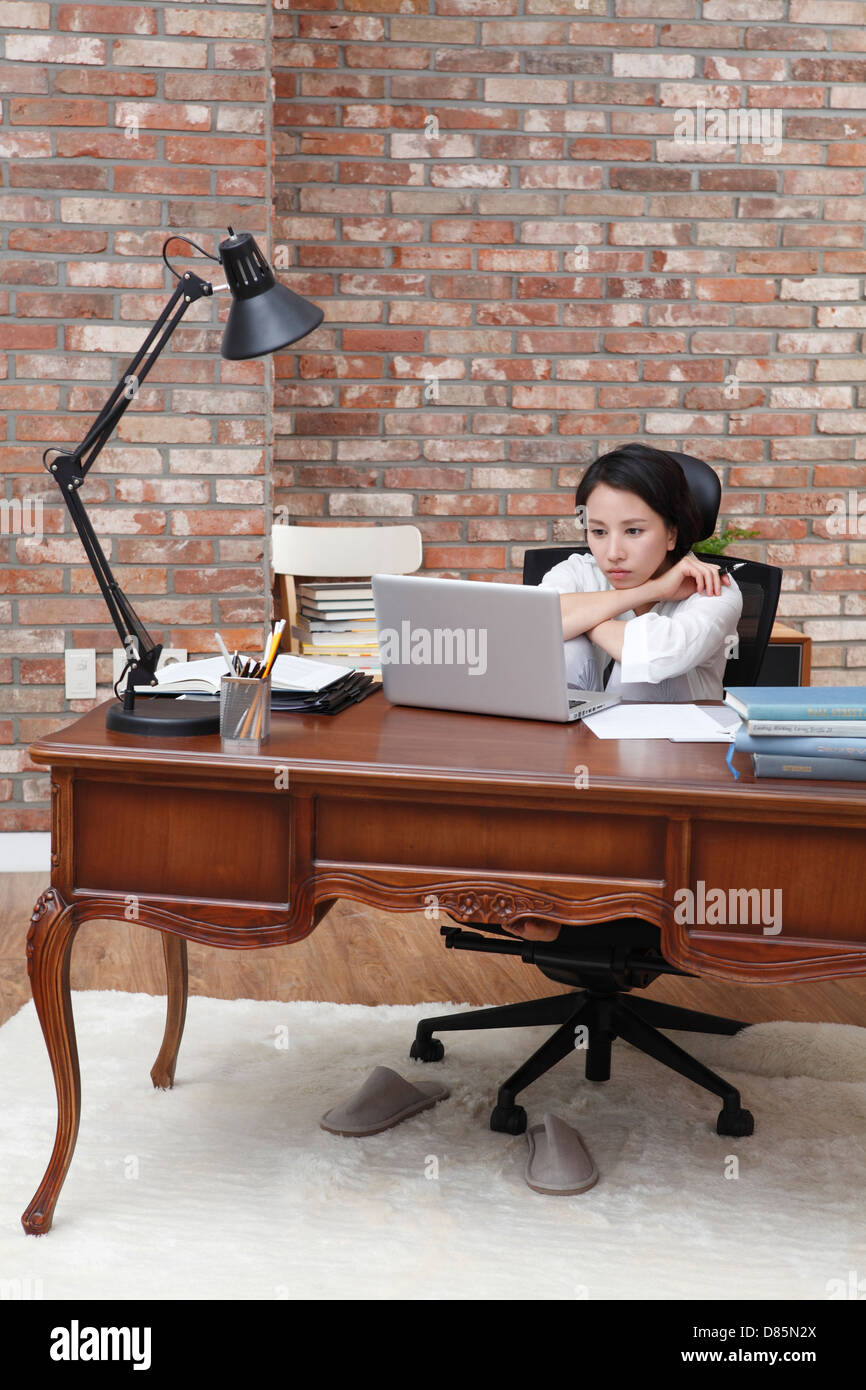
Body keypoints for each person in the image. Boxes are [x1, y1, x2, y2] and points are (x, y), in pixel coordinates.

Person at [512, 442, 743, 942]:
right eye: (598, 531)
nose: (612, 551)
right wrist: (647, 593)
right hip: (567, 768)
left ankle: (574, 892)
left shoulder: (715, 588)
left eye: (634, 531)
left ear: (672, 533)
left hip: (669, 779)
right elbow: (529, 625)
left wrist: (584, 615)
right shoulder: (576, 571)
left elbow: (653, 658)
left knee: (632, 668)